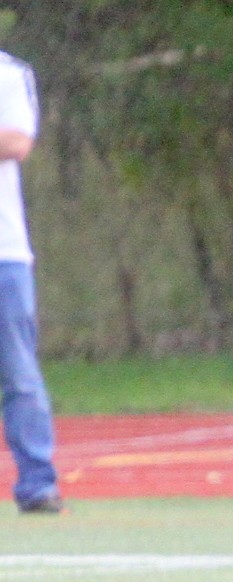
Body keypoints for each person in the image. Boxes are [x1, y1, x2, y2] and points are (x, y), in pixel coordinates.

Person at [0, 52, 62, 515]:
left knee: (19, 373)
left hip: (5, 254)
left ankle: (38, 483)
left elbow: (18, 141)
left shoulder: (9, 73)